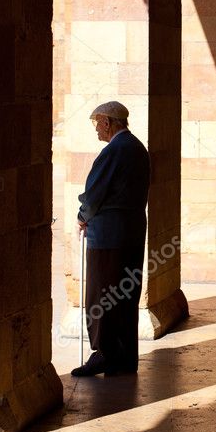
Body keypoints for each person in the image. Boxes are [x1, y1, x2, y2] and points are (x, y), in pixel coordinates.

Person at [72, 101, 151, 377]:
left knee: (102, 296)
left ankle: (104, 354)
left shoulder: (114, 151)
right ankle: (124, 357)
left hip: (107, 238)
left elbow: (94, 194)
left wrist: (82, 216)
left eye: (97, 124)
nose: (96, 130)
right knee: (125, 296)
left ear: (107, 122)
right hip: (131, 234)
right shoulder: (138, 148)